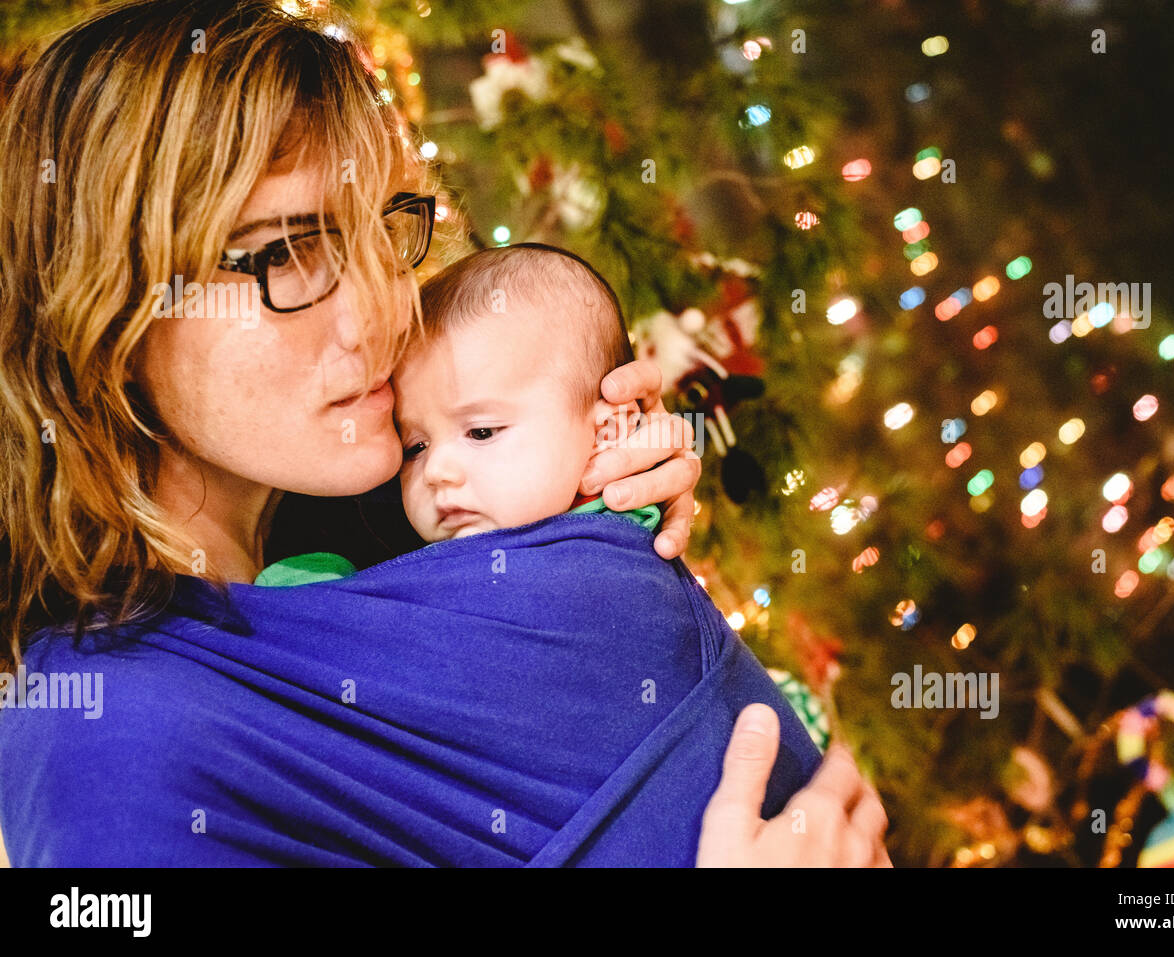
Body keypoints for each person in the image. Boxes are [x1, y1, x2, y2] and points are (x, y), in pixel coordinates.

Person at [0, 0, 889, 866]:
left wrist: (595, 517)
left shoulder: (398, 521)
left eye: (379, 236)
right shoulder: (102, 737)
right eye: (283, 252)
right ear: (105, 319)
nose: (378, 316)